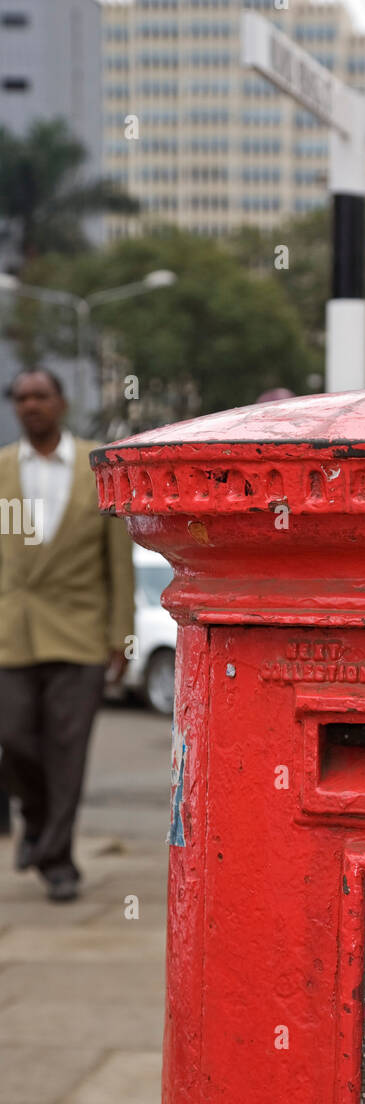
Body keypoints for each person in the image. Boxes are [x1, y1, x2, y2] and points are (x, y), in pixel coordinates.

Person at [0, 368, 135, 901]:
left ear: (61, 403)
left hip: (79, 633)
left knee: (68, 751)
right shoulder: (2, 469)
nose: (31, 404)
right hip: (11, 633)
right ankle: (35, 821)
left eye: (41, 396)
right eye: (21, 397)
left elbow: (118, 562)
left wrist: (120, 636)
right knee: (12, 738)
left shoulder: (97, 466)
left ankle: (58, 861)